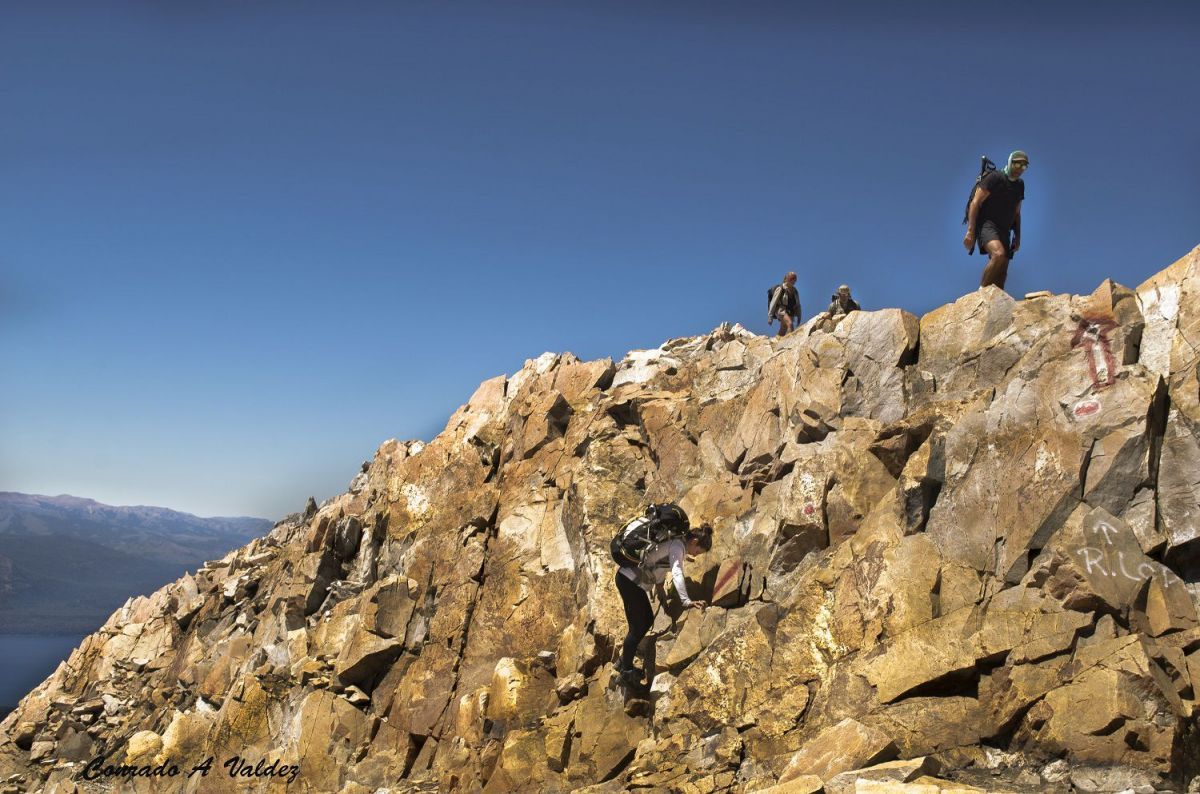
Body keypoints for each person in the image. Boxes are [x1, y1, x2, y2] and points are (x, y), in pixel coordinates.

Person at [613, 514, 712, 684]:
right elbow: (677, 572)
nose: (695, 556)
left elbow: (658, 564)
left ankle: (623, 661)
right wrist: (686, 601)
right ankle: (626, 670)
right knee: (638, 627)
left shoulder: (674, 542)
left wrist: (660, 589)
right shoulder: (678, 546)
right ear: (694, 541)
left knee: (644, 622)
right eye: (698, 552)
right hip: (629, 582)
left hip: (627, 580)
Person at [964, 150, 1028, 290]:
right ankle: (980, 294)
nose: (1020, 170)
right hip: (987, 225)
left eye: (1024, 167)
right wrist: (970, 231)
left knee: (1002, 270)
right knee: (998, 254)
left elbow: (1017, 213)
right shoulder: (995, 178)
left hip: (1005, 229)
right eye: (1017, 165)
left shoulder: (1019, 185)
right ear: (1010, 163)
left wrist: (1017, 237)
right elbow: (975, 203)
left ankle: (996, 300)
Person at [767, 272, 801, 336]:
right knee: (790, 324)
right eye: (791, 278)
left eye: (794, 279)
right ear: (787, 278)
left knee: (783, 329)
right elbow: (773, 302)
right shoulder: (780, 288)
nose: (793, 280)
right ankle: (790, 343)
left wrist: (799, 316)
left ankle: (776, 342)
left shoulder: (795, 291)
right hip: (781, 311)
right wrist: (770, 316)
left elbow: (798, 305)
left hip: (790, 312)